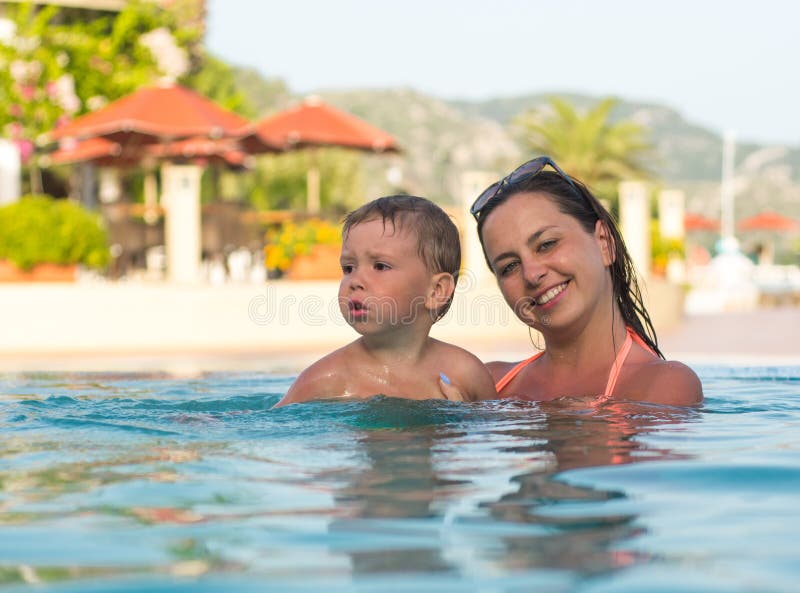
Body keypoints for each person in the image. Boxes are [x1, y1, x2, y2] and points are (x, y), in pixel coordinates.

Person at [471, 156, 702, 406]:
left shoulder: (665, 384)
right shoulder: (486, 384)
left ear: (604, 243)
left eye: (546, 244)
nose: (531, 273)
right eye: (510, 266)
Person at [275, 195, 497, 407]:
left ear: (436, 291)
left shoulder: (466, 374)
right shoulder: (326, 380)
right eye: (348, 268)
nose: (355, 281)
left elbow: (493, 434)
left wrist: (466, 419)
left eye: (380, 266)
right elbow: (273, 426)